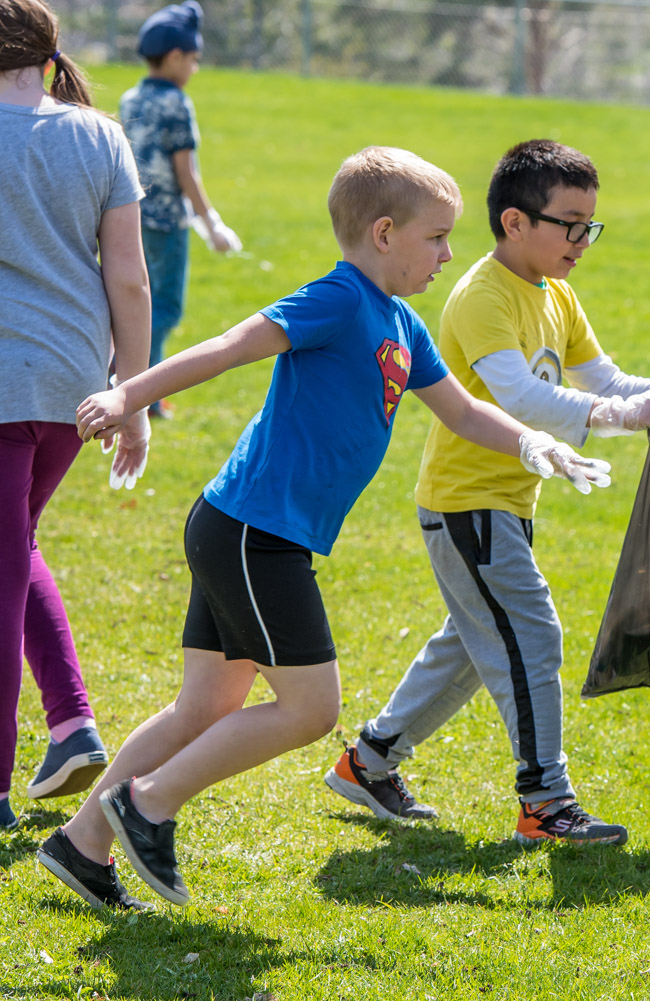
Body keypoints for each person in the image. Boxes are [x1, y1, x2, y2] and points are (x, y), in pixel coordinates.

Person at [36, 146, 610, 911]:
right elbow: (230, 346)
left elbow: (466, 411)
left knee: (203, 706)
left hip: (245, 529)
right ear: (384, 233)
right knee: (311, 708)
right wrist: (126, 395)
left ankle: (81, 843)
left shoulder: (402, 321)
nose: (448, 254)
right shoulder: (338, 300)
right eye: (436, 238)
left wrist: (537, 446)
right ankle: (146, 803)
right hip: (254, 533)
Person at [324, 139, 650, 848]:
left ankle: (368, 762)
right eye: (569, 224)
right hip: (467, 502)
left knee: (472, 642)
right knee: (530, 633)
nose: (582, 241)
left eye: (589, 225)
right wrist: (616, 416)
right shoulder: (482, 295)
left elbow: (607, 381)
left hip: (508, 502)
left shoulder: (557, 294)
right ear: (515, 223)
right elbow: (520, 395)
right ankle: (545, 800)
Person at [0, 0, 151, 833]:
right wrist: (133, 396)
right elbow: (129, 278)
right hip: (73, 384)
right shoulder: (101, 135)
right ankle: (70, 727)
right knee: (12, 544)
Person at [120, 0, 241, 420]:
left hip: (129, 217)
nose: (195, 68)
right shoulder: (177, 102)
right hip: (168, 222)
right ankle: (143, 392)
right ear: (174, 56)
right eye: (193, 59)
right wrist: (212, 223)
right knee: (165, 307)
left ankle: (124, 376)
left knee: (135, 299)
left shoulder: (130, 98)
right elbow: (185, 171)